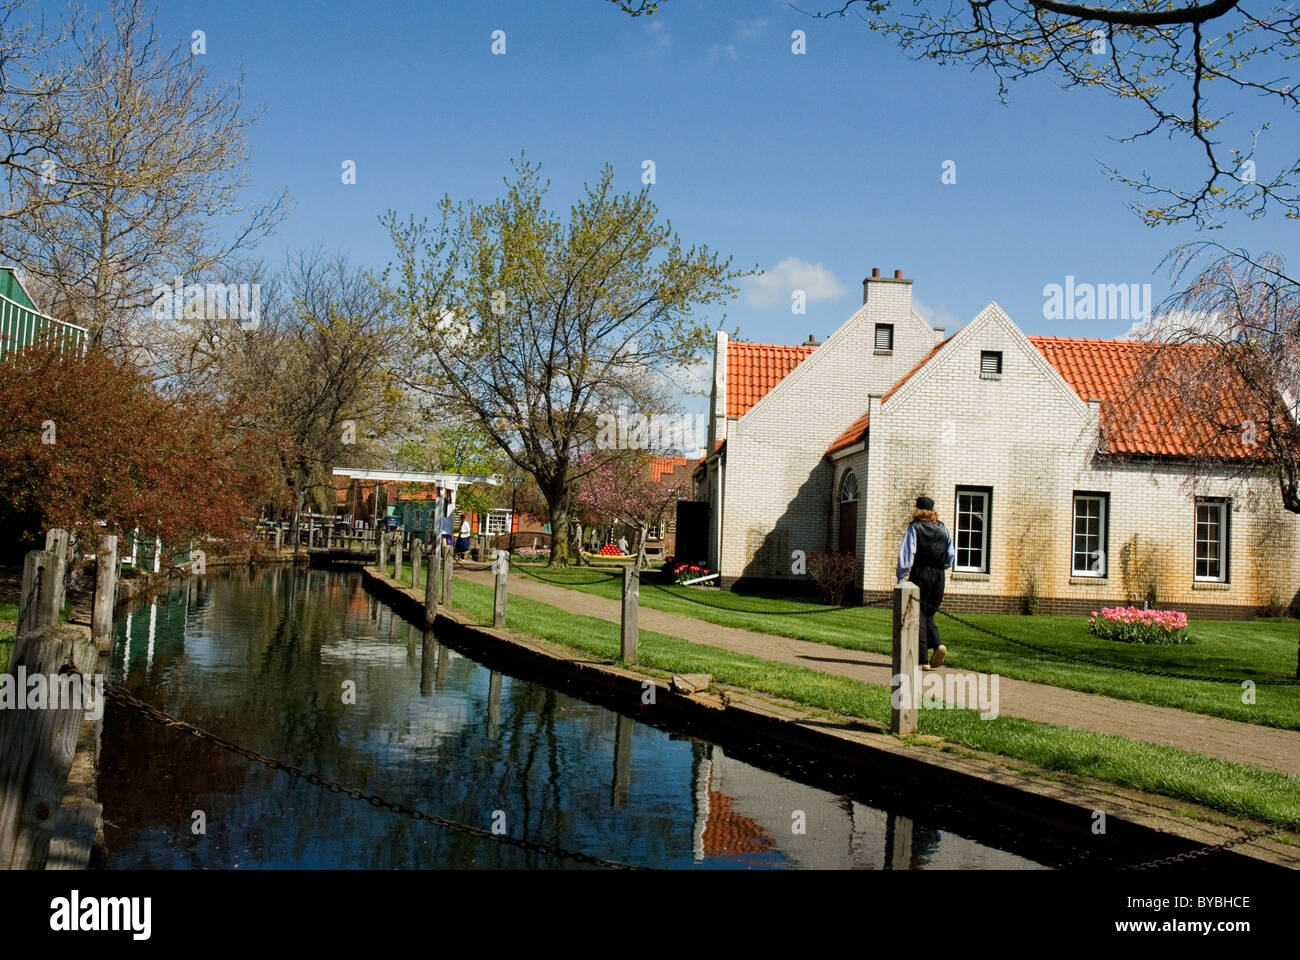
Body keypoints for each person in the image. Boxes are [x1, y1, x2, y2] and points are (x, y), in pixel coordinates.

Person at [896, 495, 956, 670]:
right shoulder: (943, 528)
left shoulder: (915, 527)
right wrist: (941, 567)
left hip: (921, 572)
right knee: (929, 613)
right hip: (939, 575)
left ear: (917, 509)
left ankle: (922, 659)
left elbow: (908, 553)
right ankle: (937, 645)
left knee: (919, 614)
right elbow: (950, 554)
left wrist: (902, 576)